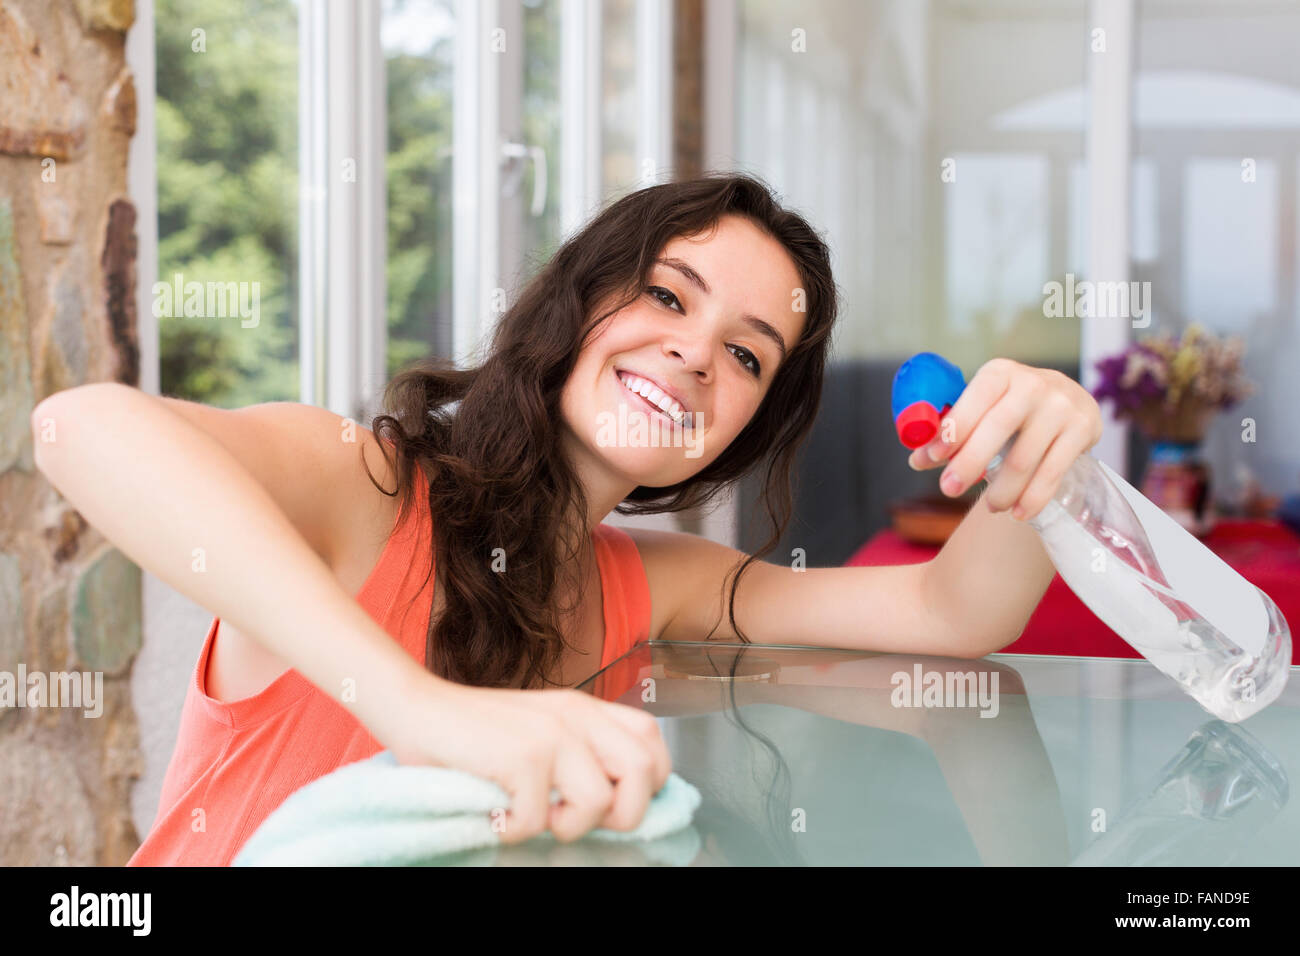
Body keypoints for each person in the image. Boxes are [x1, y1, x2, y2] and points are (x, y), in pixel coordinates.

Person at [32, 173, 1101, 865]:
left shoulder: (657, 580)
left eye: (744, 355)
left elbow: (952, 610)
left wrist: (1041, 449)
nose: (694, 352)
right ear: (578, 301)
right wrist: (418, 709)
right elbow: (80, 424)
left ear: (734, 428)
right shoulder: (365, 486)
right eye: (669, 296)